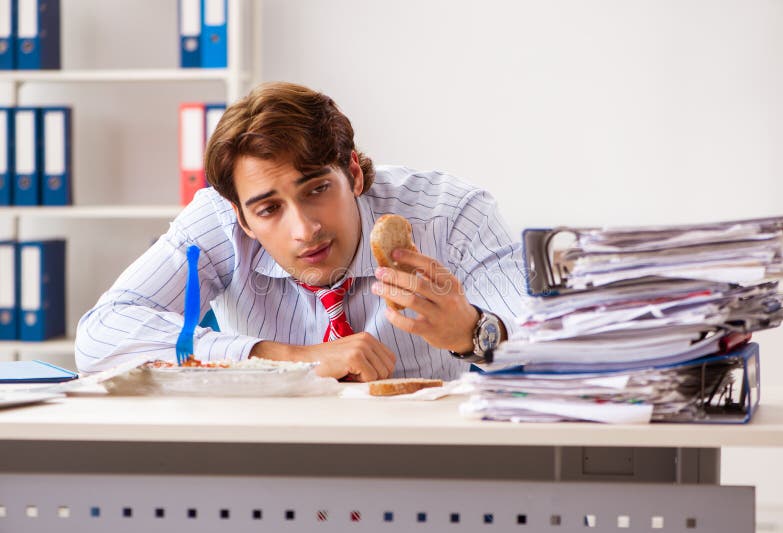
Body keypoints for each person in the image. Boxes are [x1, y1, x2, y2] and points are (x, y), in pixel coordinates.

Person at [75, 82, 526, 381]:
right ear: (242, 216)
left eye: (317, 189)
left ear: (353, 173)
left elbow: (550, 348)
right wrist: (292, 358)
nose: (305, 229)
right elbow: (101, 337)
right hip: (273, 470)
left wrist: (472, 333)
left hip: (435, 475)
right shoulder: (215, 221)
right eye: (269, 209)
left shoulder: (451, 214)